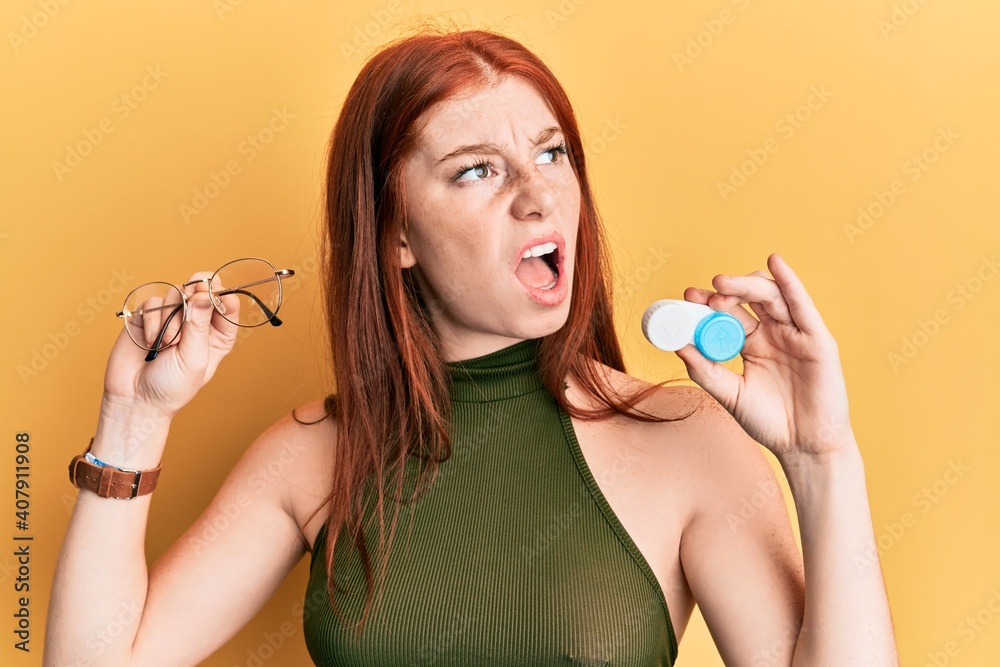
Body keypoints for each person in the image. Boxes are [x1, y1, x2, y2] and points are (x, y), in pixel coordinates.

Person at [45, 28, 898, 666]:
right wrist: (132, 415)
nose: (537, 195)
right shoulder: (312, 455)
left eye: (551, 152)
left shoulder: (690, 440)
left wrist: (823, 458)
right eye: (477, 170)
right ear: (397, 235)